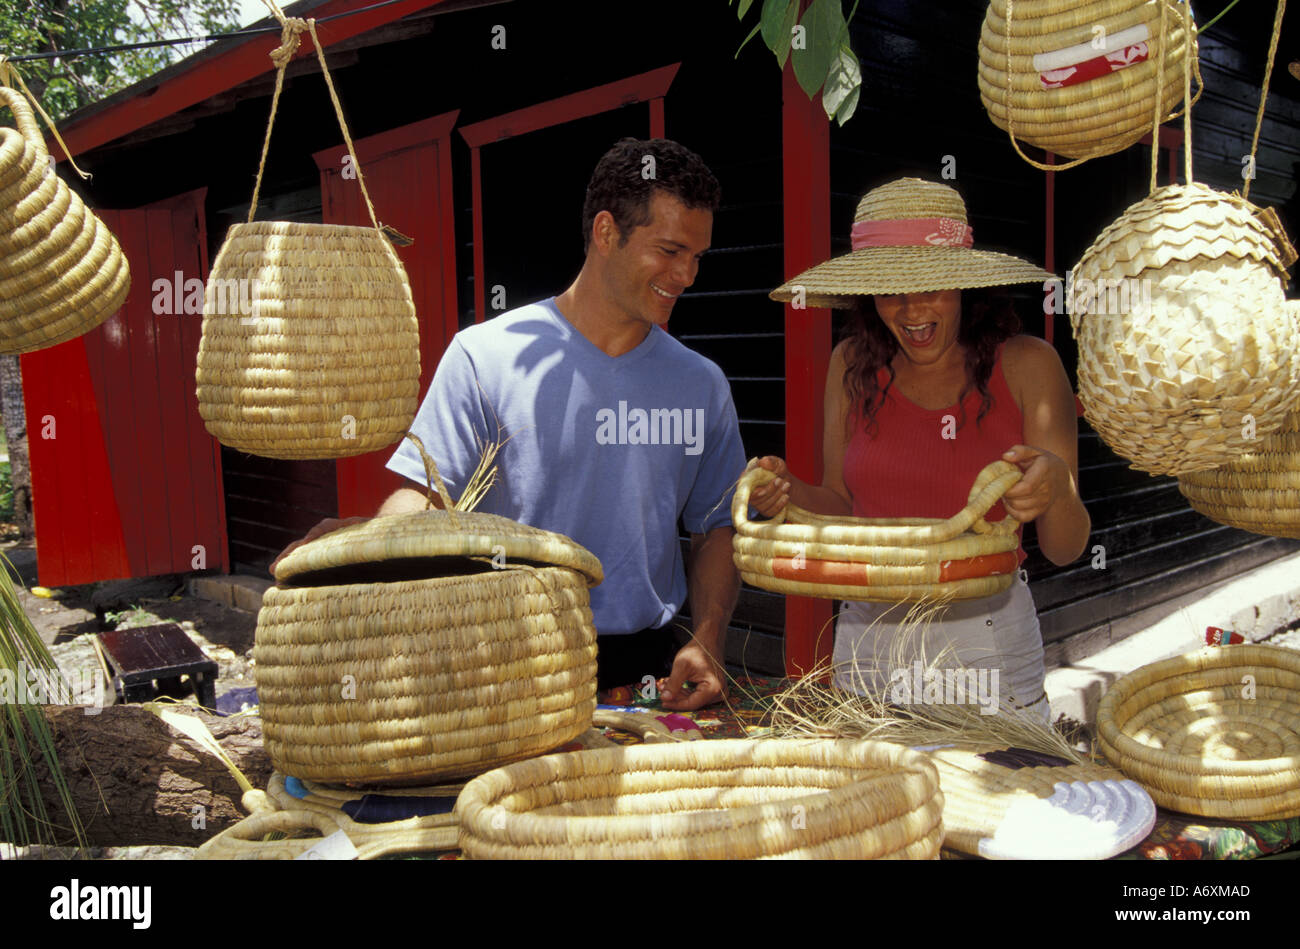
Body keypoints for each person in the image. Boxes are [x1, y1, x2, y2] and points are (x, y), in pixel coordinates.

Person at [273, 138, 746, 711]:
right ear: (605, 232)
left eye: (697, 256)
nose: (687, 275)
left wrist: (710, 635)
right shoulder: (484, 356)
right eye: (670, 250)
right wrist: (367, 545)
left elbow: (716, 527)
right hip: (503, 664)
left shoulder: (701, 384)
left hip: (647, 674)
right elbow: (428, 499)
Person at [753, 177, 1091, 720]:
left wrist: (1054, 488)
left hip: (984, 639)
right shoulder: (851, 365)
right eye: (891, 291)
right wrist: (785, 495)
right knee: (873, 801)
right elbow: (842, 503)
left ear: (964, 285)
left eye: (931, 285)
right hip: (868, 635)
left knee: (994, 800)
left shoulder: (1029, 365)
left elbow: (1066, 548)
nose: (911, 311)